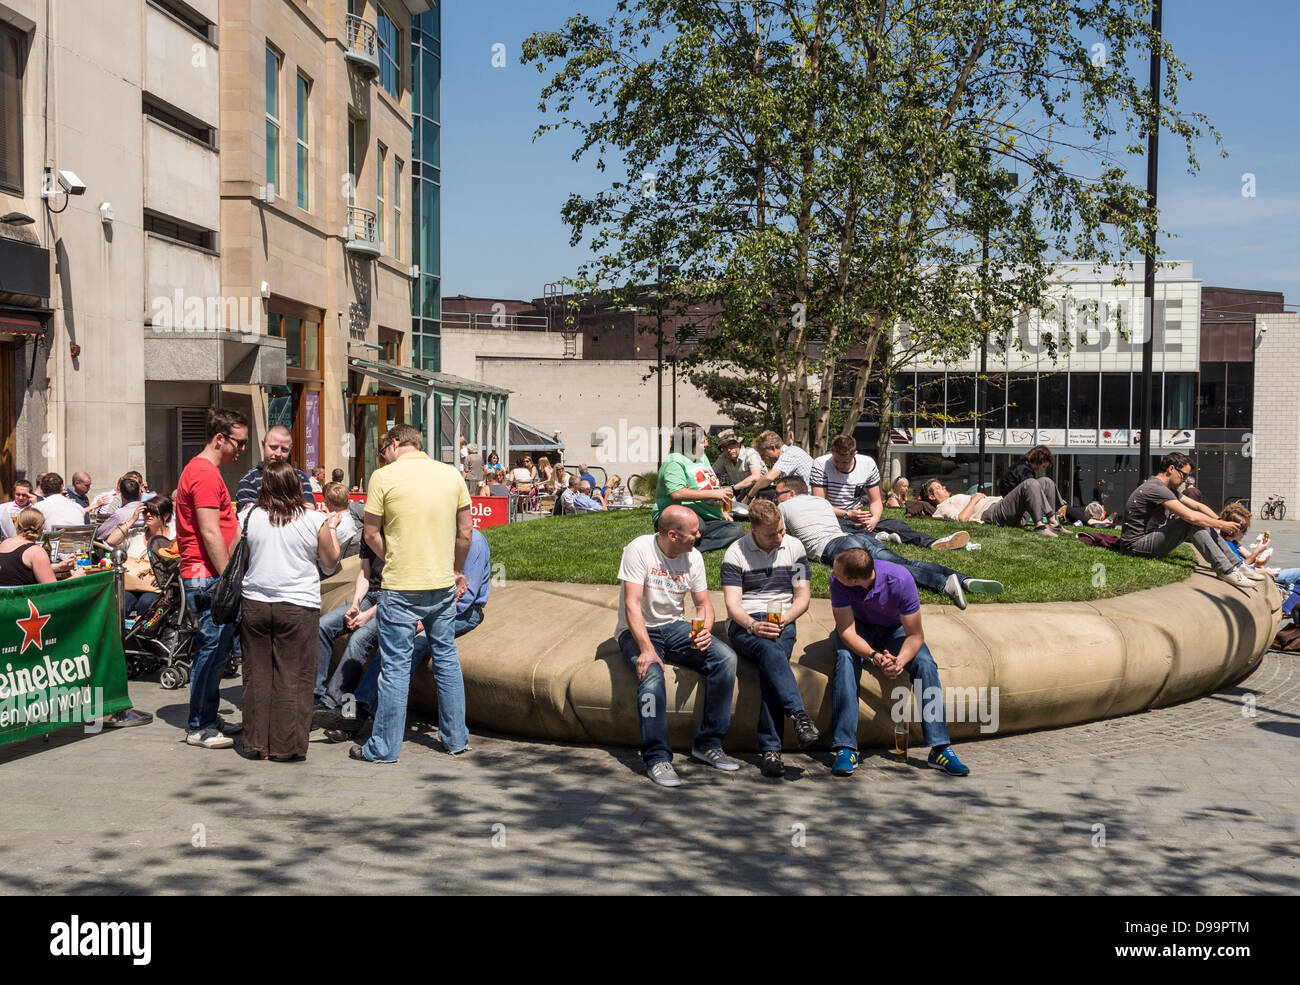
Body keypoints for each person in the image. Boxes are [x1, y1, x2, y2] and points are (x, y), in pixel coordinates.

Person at [353, 424, 472, 763]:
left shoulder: (383, 477)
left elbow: (370, 531)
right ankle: (455, 739)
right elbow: (465, 531)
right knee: (447, 661)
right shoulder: (451, 476)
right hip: (440, 583)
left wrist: (390, 553)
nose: (382, 456)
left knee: (394, 668)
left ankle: (384, 748)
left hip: (401, 585)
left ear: (394, 443)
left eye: (382, 449)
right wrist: (457, 568)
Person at [616, 505, 740, 787]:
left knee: (726, 659)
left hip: (674, 627)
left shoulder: (693, 557)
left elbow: (703, 604)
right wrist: (646, 650)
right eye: (694, 532)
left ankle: (708, 743)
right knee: (651, 676)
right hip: (637, 630)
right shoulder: (639, 550)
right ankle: (657, 757)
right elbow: (632, 605)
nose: (699, 536)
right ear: (672, 535)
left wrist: (704, 630)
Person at [827, 548, 971, 777]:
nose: (832, 575)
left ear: (854, 579)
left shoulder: (900, 579)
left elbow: (915, 635)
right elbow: (846, 631)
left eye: (838, 573)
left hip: (893, 630)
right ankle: (845, 747)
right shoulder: (838, 581)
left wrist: (899, 661)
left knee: (925, 663)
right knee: (845, 659)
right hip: (858, 628)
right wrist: (874, 656)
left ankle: (940, 747)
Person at [236, 461, 341, 761]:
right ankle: (287, 746)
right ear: (297, 486)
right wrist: (331, 528)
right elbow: (331, 559)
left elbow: (238, 554)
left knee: (256, 675)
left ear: (265, 486)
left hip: (255, 601)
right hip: (298, 604)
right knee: (293, 676)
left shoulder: (249, 515)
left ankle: (257, 743)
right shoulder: (312, 518)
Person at [775, 476, 1001, 608]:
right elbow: (841, 516)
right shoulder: (820, 502)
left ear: (791, 493)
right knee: (905, 562)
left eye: (778, 494)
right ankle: (964, 579)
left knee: (894, 570)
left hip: (837, 548)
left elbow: (779, 534)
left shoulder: (783, 507)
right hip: (856, 538)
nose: (775, 498)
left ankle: (944, 585)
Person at [721, 499, 820, 777]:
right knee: (770, 651)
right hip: (746, 624)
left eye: (781, 530)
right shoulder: (735, 553)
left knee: (770, 661)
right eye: (771, 534)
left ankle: (771, 751)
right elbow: (733, 606)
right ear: (753, 530)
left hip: (782, 619)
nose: (780, 537)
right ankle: (798, 717)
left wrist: (786, 618)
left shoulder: (794, 546)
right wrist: (753, 625)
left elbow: (802, 597)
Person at [177, 407, 249, 750]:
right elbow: (209, 531)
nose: (241, 450)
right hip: (207, 576)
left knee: (218, 652)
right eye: (239, 442)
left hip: (208, 576)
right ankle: (199, 725)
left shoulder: (205, 471)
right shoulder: (204, 473)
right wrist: (228, 580)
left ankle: (207, 716)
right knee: (211, 650)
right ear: (220, 438)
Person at [1119, 453, 1259, 588]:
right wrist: (1222, 524)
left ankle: (1236, 565)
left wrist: (1218, 520)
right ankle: (1226, 570)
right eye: (1184, 475)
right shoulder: (1156, 488)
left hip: (1148, 540)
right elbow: (1190, 516)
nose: (1185, 480)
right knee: (1190, 522)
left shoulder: (1165, 488)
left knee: (1200, 520)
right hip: (1135, 547)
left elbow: (1197, 505)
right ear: (1171, 469)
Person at [811, 434, 966, 549]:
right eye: (836, 460)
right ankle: (876, 536)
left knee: (898, 524)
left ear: (855, 454)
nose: (839, 465)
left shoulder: (867, 464)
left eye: (845, 462)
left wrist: (875, 518)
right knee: (841, 529)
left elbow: (876, 501)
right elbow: (820, 505)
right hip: (832, 517)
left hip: (858, 516)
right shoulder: (821, 464)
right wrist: (847, 514)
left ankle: (933, 542)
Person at [654, 421, 744, 552]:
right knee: (696, 525)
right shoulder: (674, 462)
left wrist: (723, 510)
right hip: (674, 517)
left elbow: (711, 485)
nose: (707, 444)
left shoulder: (701, 457)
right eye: (703, 442)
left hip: (705, 515)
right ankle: (682, 545)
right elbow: (676, 493)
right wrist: (714, 494)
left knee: (736, 530)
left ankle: (689, 544)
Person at [919, 475, 1063, 536]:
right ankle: (1040, 526)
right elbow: (961, 519)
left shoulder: (953, 498)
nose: (943, 487)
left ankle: (1053, 522)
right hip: (993, 513)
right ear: (932, 496)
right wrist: (974, 499)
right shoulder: (942, 507)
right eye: (938, 488)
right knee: (1029, 483)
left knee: (1045, 482)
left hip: (1003, 507)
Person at [235, 425, 313, 510]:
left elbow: (309, 509)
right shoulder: (249, 480)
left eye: (284, 450)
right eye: (273, 447)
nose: (278, 454)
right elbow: (249, 514)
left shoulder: (300, 477)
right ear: (263, 445)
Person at [121, 497, 174, 617]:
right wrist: (132, 520)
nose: (148, 515)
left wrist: (164, 576)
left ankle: (142, 632)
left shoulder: (174, 537)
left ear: (165, 516)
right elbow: (111, 541)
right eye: (146, 512)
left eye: (153, 512)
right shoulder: (137, 533)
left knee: (146, 603)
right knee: (121, 601)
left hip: (156, 587)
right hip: (131, 584)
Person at [998, 445, 1067, 526]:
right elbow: (1031, 497)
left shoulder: (1022, 466)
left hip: (1013, 508)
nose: (1042, 469)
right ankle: (1052, 519)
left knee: (1046, 482)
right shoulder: (1024, 472)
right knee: (1039, 485)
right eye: (1043, 466)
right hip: (1015, 515)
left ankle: (1054, 518)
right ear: (1039, 461)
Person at [0, 508, 63, 587]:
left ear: (17, 524)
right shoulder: (36, 552)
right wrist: (76, 577)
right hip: (23, 598)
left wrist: (59, 567)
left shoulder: (4, 543)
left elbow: (14, 571)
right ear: (42, 526)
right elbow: (52, 589)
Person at [746, 430, 814, 501]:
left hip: (809, 498)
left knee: (763, 493)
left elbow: (768, 477)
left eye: (763, 455)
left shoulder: (789, 454)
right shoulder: (790, 451)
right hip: (803, 494)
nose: (762, 459)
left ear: (773, 448)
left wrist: (749, 495)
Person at [319, 482, 360, 575]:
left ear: (329, 502)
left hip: (325, 570)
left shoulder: (339, 527)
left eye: (325, 502)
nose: (324, 504)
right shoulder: (347, 518)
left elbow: (318, 551)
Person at [711, 428, 764, 499]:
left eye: (731, 445)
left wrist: (732, 488)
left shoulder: (750, 453)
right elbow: (711, 474)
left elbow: (755, 477)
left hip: (761, 492)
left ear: (738, 443)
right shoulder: (724, 457)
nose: (728, 450)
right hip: (741, 493)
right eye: (724, 447)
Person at [94, 475, 144, 545]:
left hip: (122, 551)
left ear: (122, 496)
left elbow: (100, 535)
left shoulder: (119, 514)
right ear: (140, 495)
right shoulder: (148, 512)